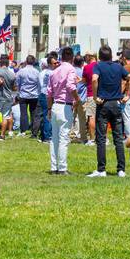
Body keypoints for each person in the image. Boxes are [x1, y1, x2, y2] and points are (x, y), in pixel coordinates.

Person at [89, 46, 130, 177]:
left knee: (101, 138)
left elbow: (94, 79)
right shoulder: (118, 66)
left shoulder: (98, 66)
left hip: (103, 103)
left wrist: (95, 96)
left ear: (100, 56)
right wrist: (127, 95)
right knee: (118, 138)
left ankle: (101, 169)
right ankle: (121, 169)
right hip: (116, 103)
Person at [46, 46, 78, 174]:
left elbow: (49, 93)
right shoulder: (70, 69)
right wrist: (77, 98)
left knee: (54, 138)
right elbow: (70, 85)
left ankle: (54, 167)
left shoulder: (54, 71)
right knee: (64, 138)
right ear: (72, 57)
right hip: (65, 105)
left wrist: (49, 108)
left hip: (55, 105)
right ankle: (63, 168)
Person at [15, 55, 42, 139]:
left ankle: (23, 130)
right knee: (34, 114)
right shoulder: (37, 72)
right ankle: (34, 131)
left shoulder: (21, 71)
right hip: (34, 95)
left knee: (23, 114)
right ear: (33, 62)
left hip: (23, 94)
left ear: (26, 61)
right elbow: (39, 84)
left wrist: (19, 91)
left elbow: (17, 83)